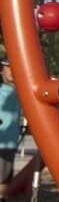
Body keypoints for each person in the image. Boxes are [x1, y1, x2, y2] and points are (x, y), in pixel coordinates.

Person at [0, 54, 19, 188]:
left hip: (8, 143)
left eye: (15, 68)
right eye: (8, 67)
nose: (12, 71)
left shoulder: (21, 91)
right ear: (1, 70)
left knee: (3, 180)